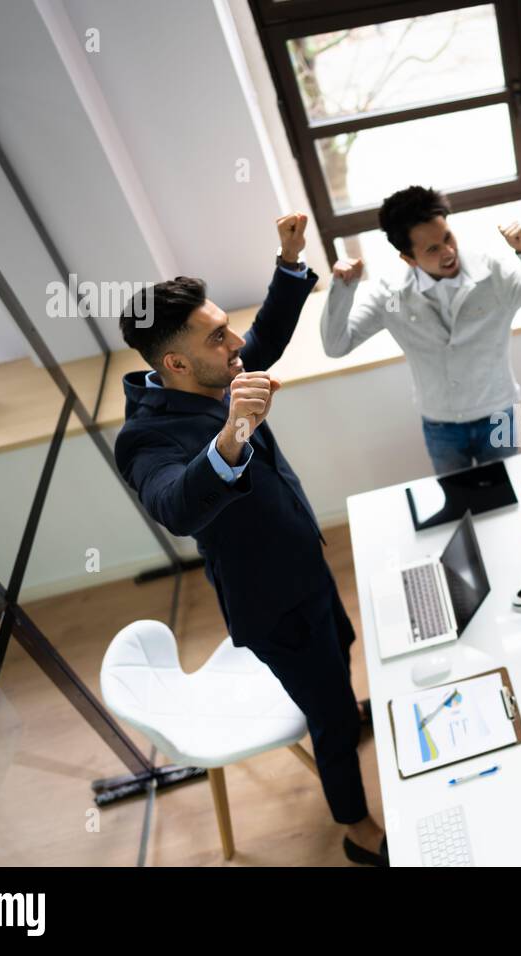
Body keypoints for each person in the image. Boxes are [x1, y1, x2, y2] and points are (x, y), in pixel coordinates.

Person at [114, 214, 388, 866]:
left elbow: (261, 339)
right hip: (272, 601)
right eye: (218, 336)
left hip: (305, 566)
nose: (236, 343)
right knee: (324, 713)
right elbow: (175, 505)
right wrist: (232, 433)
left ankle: (346, 710)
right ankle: (355, 826)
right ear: (176, 361)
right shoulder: (144, 437)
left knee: (341, 650)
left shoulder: (213, 370)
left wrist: (289, 260)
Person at [322, 185, 521, 475]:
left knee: (504, 499)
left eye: (448, 238)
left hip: (497, 416)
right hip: (440, 425)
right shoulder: (392, 297)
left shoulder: (494, 275)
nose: (448, 252)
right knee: (458, 503)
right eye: (432, 249)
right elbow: (336, 346)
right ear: (408, 258)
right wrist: (342, 288)